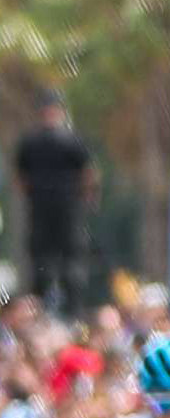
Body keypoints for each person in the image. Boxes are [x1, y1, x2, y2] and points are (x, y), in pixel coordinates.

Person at [12, 92, 94, 312]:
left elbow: (87, 173)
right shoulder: (33, 142)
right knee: (44, 262)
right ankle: (43, 307)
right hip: (50, 208)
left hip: (62, 208)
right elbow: (21, 178)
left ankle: (72, 308)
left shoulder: (66, 140)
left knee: (68, 264)